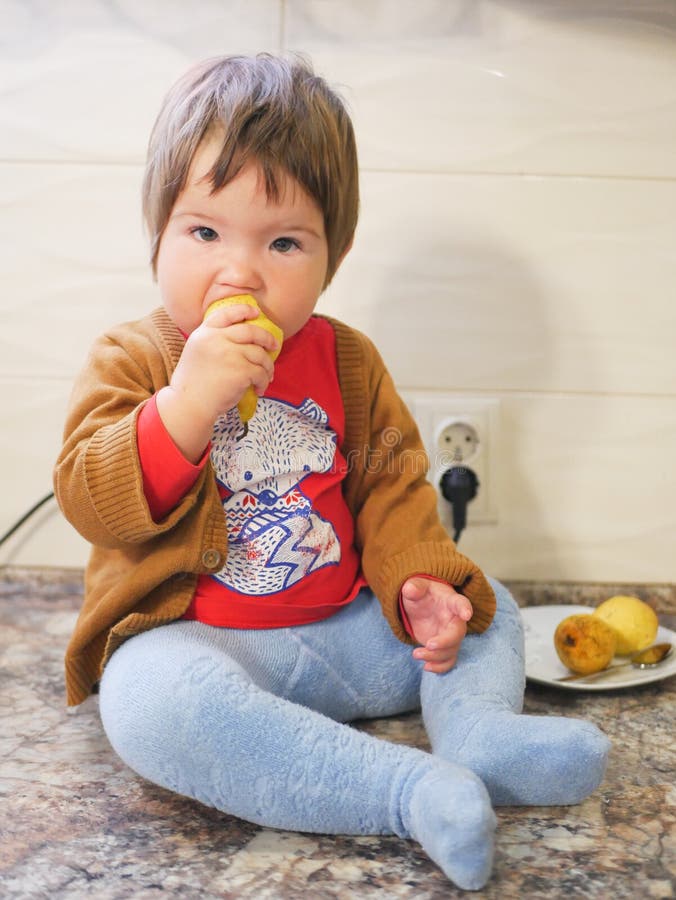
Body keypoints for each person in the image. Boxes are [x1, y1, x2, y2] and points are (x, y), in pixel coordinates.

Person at [54, 54, 610, 891]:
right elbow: (92, 499)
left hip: (345, 634)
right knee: (148, 702)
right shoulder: (133, 357)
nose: (238, 272)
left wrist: (421, 582)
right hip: (209, 646)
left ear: (332, 257)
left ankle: (478, 733)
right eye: (204, 232)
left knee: (486, 602)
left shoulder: (349, 360)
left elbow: (395, 489)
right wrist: (184, 406)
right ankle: (412, 791)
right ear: (157, 233)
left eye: (282, 242)